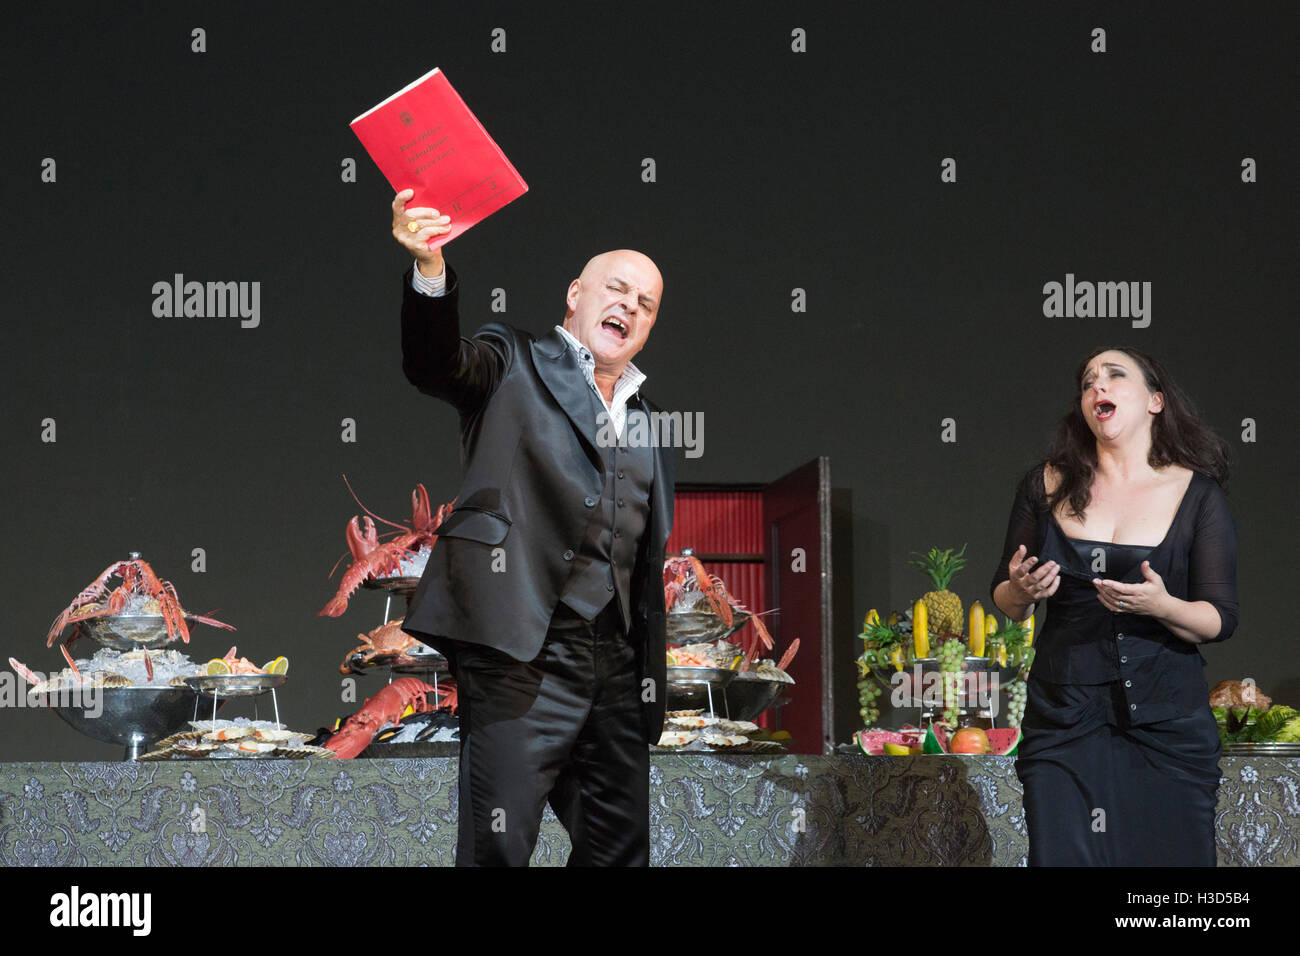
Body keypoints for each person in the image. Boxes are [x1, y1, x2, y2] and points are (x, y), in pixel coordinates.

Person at [387, 190, 676, 866]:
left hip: (615, 664)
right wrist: (430, 269)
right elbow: (435, 364)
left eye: (647, 304)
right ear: (576, 294)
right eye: (617, 289)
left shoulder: (649, 419)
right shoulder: (512, 361)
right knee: (498, 848)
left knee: (619, 850)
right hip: (523, 653)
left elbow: (641, 554)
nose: (630, 306)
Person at [990, 346, 1238, 866]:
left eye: (1114, 376)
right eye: (1087, 382)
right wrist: (1022, 589)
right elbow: (1007, 600)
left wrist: (1163, 605)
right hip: (1064, 721)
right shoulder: (1045, 484)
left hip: (1167, 724)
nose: (1096, 386)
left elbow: (1218, 618)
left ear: (1154, 400)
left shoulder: (1198, 494)